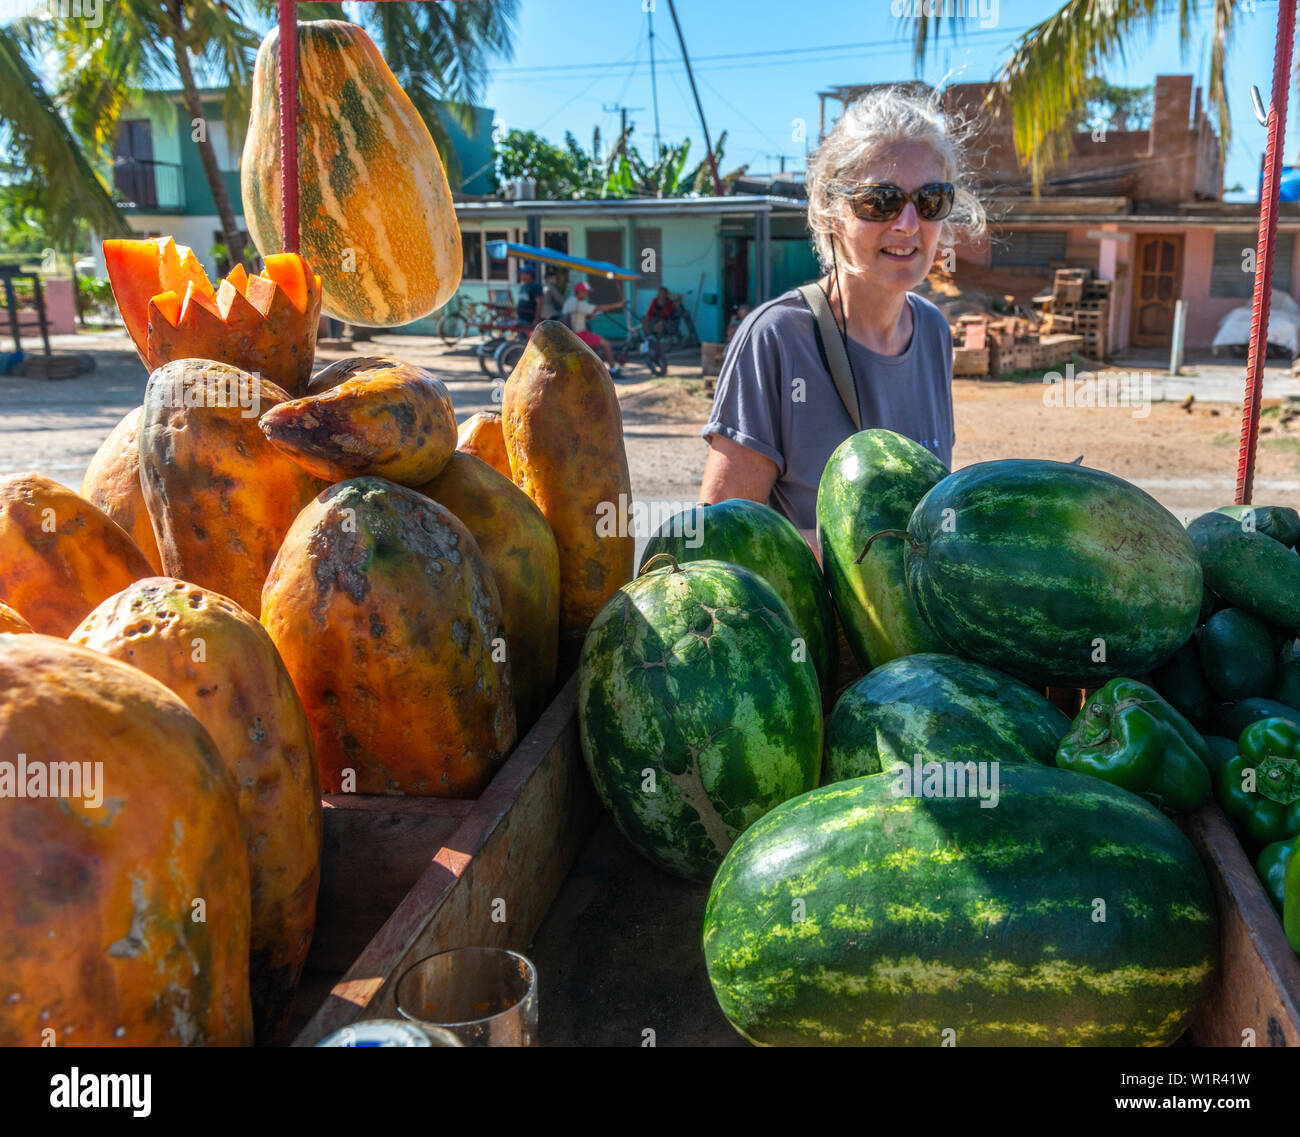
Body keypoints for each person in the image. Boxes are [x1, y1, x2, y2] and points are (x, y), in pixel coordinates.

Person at [700, 85, 985, 556]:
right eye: (881, 201)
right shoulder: (776, 338)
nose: (909, 225)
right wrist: (872, 557)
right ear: (831, 212)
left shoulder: (934, 331)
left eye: (930, 200)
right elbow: (721, 540)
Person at [562, 280, 625, 375]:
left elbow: (577, 316)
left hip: (569, 335)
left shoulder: (569, 302)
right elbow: (598, 308)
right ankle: (613, 370)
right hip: (579, 335)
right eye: (586, 292)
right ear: (580, 292)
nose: (587, 295)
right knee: (606, 344)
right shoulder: (579, 303)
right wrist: (617, 305)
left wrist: (588, 316)